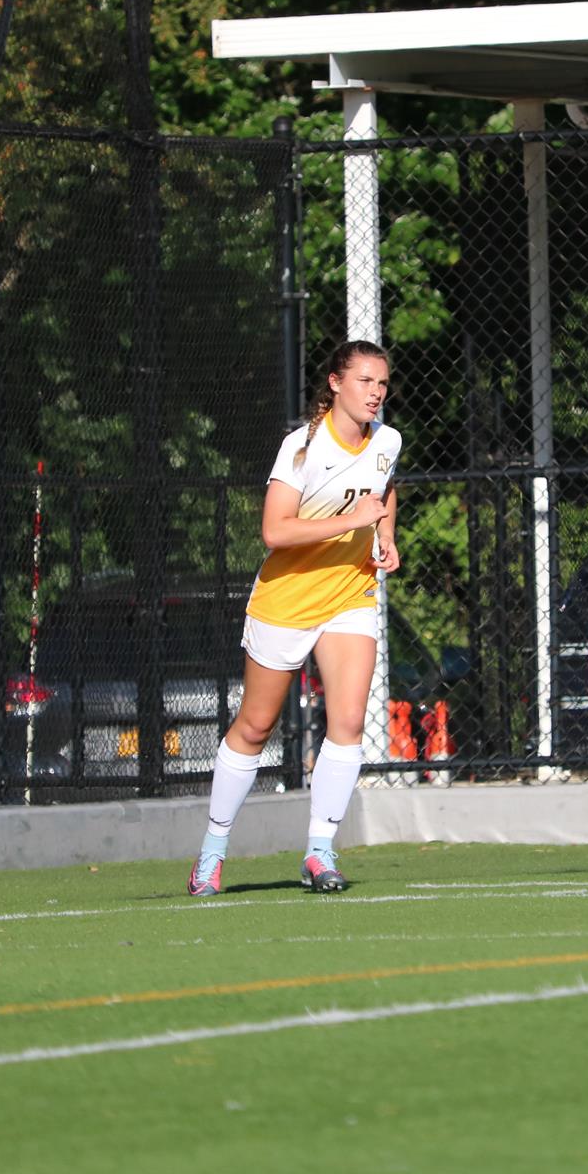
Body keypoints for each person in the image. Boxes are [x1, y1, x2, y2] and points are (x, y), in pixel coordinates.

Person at [187, 340, 401, 896]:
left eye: (382, 383)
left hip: (350, 595)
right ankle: (212, 852)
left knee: (348, 723)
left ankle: (319, 851)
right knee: (255, 727)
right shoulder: (302, 448)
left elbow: (384, 489)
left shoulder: (387, 440)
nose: (375, 392)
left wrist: (385, 534)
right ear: (335, 383)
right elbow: (275, 530)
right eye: (364, 381)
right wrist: (350, 521)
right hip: (286, 600)